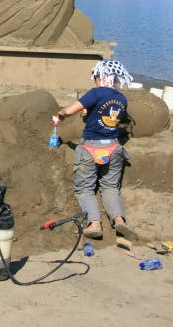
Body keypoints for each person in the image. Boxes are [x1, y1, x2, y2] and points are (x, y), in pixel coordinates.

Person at [54, 59, 138, 241]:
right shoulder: (122, 99)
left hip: (91, 147)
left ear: (102, 76)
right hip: (113, 148)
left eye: (96, 77)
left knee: (84, 189)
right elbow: (106, 115)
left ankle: (94, 223)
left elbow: (71, 111)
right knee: (110, 187)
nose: (95, 81)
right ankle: (119, 219)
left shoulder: (95, 93)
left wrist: (61, 113)